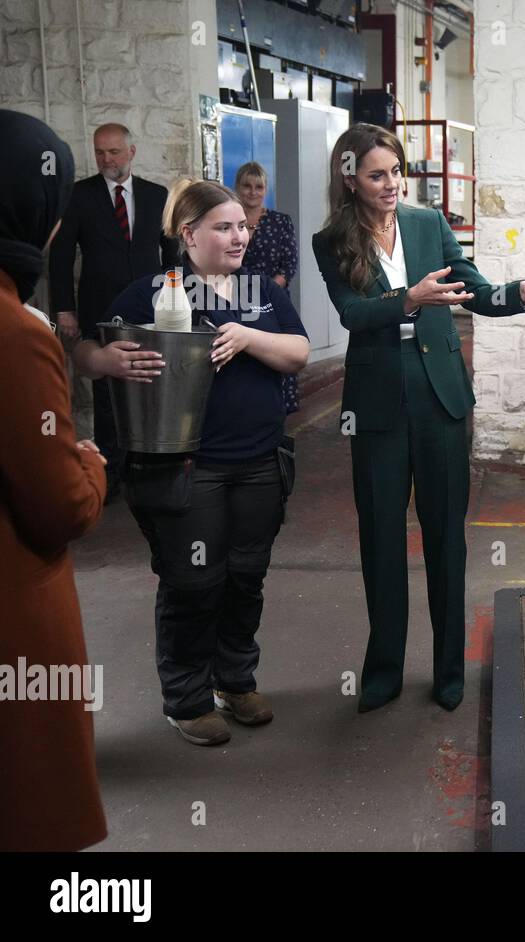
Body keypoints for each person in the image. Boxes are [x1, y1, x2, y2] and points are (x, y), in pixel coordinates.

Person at [312, 123, 525, 713]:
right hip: (378, 399)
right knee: (381, 537)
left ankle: (449, 670)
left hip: (440, 397)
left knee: (444, 538)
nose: (391, 184)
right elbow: (353, 314)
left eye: (397, 172)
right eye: (377, 175)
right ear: (349, 178)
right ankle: (383, 672)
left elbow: (472, 289)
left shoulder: (429, 225)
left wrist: (517, 293)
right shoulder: (331, 241)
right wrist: (407, 299)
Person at [73, 179, 309, 746]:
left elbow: (297, 353)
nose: (238, 237)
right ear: (188, 234)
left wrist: (248, 336)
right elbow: (84, 351)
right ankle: (187, 698)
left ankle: (235, 681)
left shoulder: (262, 294)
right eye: (223, 227)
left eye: (242, 227)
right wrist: (105, 359)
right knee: (193, 582)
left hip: (259, 461)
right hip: (187, 466)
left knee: (246, 576)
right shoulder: (153, 292)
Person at [0, 110, 108, 850]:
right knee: (30, 800)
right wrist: (94, 466)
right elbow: (59, 504)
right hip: (17, 605)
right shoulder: (17, 333)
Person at [50, 123, 178, 501]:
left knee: (151, 382)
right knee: (106, 391)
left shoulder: (158, 196)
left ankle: (150, 469)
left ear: (132, 152)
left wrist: (175, 304)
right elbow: (59, 259)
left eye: (114, 152)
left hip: (149, 308)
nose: (107, 159)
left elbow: (171, 258)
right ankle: (112, 476)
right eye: (101, 152)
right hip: (98, 307)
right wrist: (63, 309)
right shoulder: (78, 195)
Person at [235, 161, 302, 414]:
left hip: (273, 301)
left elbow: (289, 265)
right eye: (247, 186)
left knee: (276, 350)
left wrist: (265, 293)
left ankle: (279, 408)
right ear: (238, 187)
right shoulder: (230, 221)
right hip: (235, 298)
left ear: (265, 189)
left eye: (259, 186)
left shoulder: (280, 222)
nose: (253, 192)